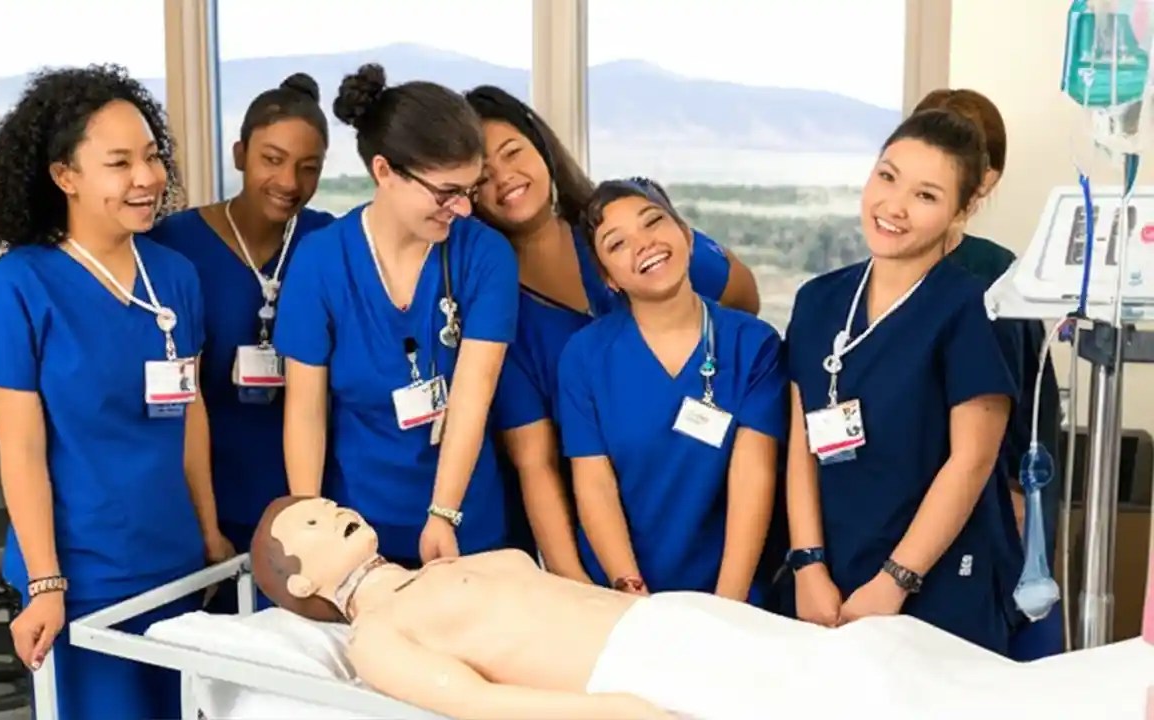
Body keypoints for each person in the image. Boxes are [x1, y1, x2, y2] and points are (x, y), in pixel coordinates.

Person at [247, 497, 1130, 720]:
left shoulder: (441, 564)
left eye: (326, 501)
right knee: (865, 699)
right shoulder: (379, 636)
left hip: (677, 622)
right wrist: (614, 712)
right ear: (305, 583)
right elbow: (479, 703)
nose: (335, 510)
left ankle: (1103, 692)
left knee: (878, 654)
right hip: (637, 672)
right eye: (313, 524)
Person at [0, 65, 213, 718]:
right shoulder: (11, 292)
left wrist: (210, 532)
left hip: (177, 562)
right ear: (65, 176)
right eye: (119, 163)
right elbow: (21, 452)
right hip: (84, 577)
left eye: (152, 156)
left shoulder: (174, 277)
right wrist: (46, 583)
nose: (147, 177)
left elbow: (190, 413)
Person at [462, 85, 761, 584]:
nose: (505, 177)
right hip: (608, 539)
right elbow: (536, 465)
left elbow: (743, 302)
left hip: (713, 511)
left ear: (540, 144)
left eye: (512, 152)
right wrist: (574, 584)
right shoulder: (498, 311)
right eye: (482, 176)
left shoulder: (625, 229)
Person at [783, 109, 1022, 655]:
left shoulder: (972, 309)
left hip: (937, 586)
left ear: (963, 209)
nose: (894, 206)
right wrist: (807, 563)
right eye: (887, 177)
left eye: (926, 195)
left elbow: (972, 461)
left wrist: (895, 581)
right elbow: (801, 443)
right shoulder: (818, 301)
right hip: (829, 578)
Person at [273, 64, 520, 570]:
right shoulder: (322, 262)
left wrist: (444, 514)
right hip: (358, 531)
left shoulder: (485, 255)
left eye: (469, 189)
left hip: (462, 524)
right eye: (445, 192)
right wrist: (313, 527)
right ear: (384, 171)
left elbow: (473, 395)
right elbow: (305, 410)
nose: (463, 209)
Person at [555, 178, 786, 600]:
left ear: (686, 235)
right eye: (617, 243)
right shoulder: (584, 356)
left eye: (653, 222)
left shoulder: (752, 345)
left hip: (730, 590)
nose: (643, 244)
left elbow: (753, 477)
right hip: (623, 593)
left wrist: (727, 606)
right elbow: (594, 483)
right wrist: (630, 592)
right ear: (609, 278)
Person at [148, 72, 335, 571]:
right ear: (239, 154)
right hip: (204, 488)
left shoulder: (328, 243)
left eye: (308, 168)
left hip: (308, 489)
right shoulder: (173, 246)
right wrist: (204, 524)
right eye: (272, 159)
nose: (289, 182)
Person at [913, 87, 1064, 660]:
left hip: (987, 501)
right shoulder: (865, 281)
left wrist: (1019, 497)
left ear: (985, 180)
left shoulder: (994, 278)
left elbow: (1028, 408)